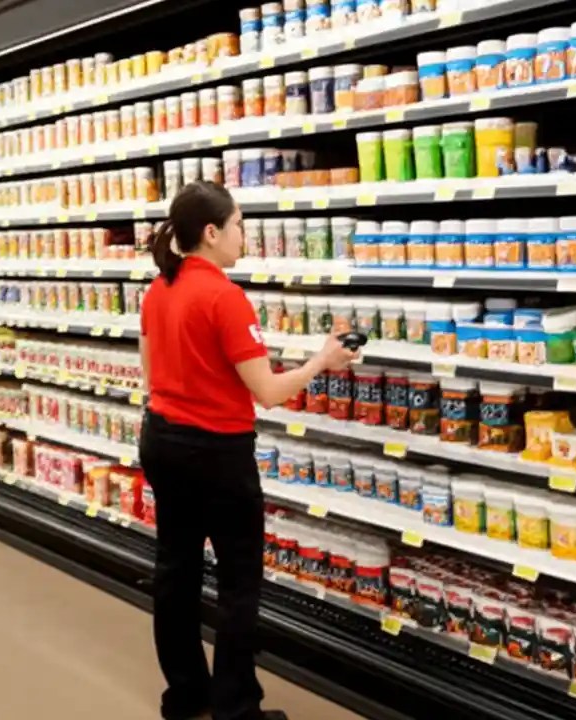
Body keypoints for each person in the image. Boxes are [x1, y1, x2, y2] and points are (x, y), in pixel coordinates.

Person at [138, 181, 358, 720]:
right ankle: (237, 709)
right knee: (238, 582)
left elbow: (151, 374)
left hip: (162, 439)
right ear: (211, 234)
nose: (244, 235)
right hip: (216, 454)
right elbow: (268, 391)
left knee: (177, 571)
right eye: (238, 225)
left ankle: (186, 695)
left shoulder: (157, 289)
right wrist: (320, 361)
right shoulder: (223, 296)